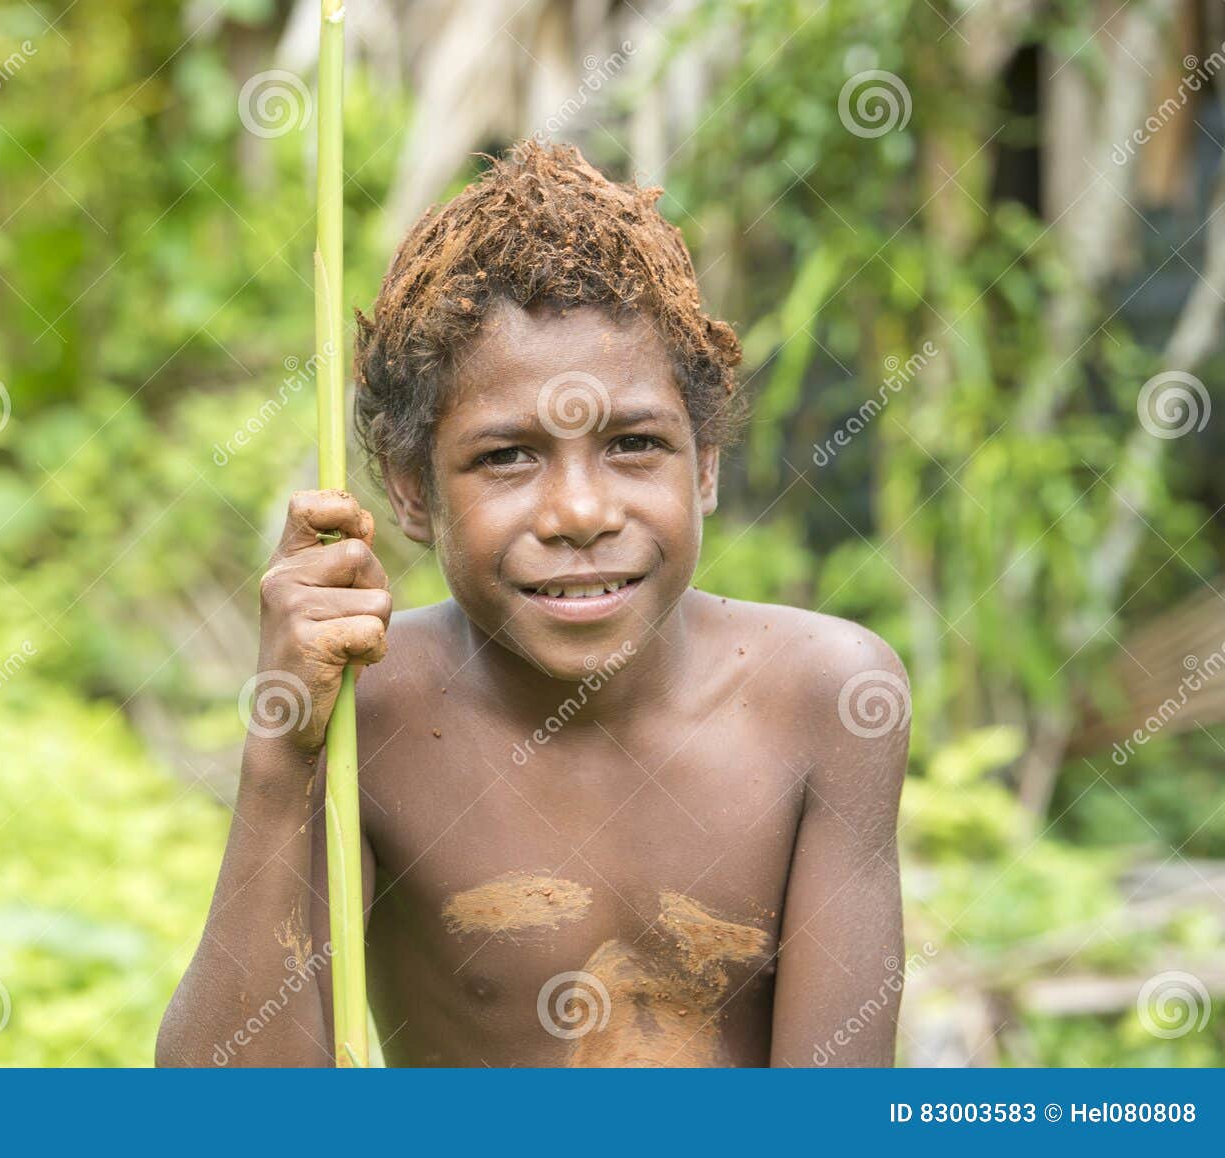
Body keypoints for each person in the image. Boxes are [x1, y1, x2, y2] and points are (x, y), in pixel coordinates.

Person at [155, 141, 909, 1067]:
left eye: (634, 443)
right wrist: (281, 756)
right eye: (507, 456)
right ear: (411, 488)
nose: (581, 513)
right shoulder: (368, 715)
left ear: (705, 462)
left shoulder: (829, 698)